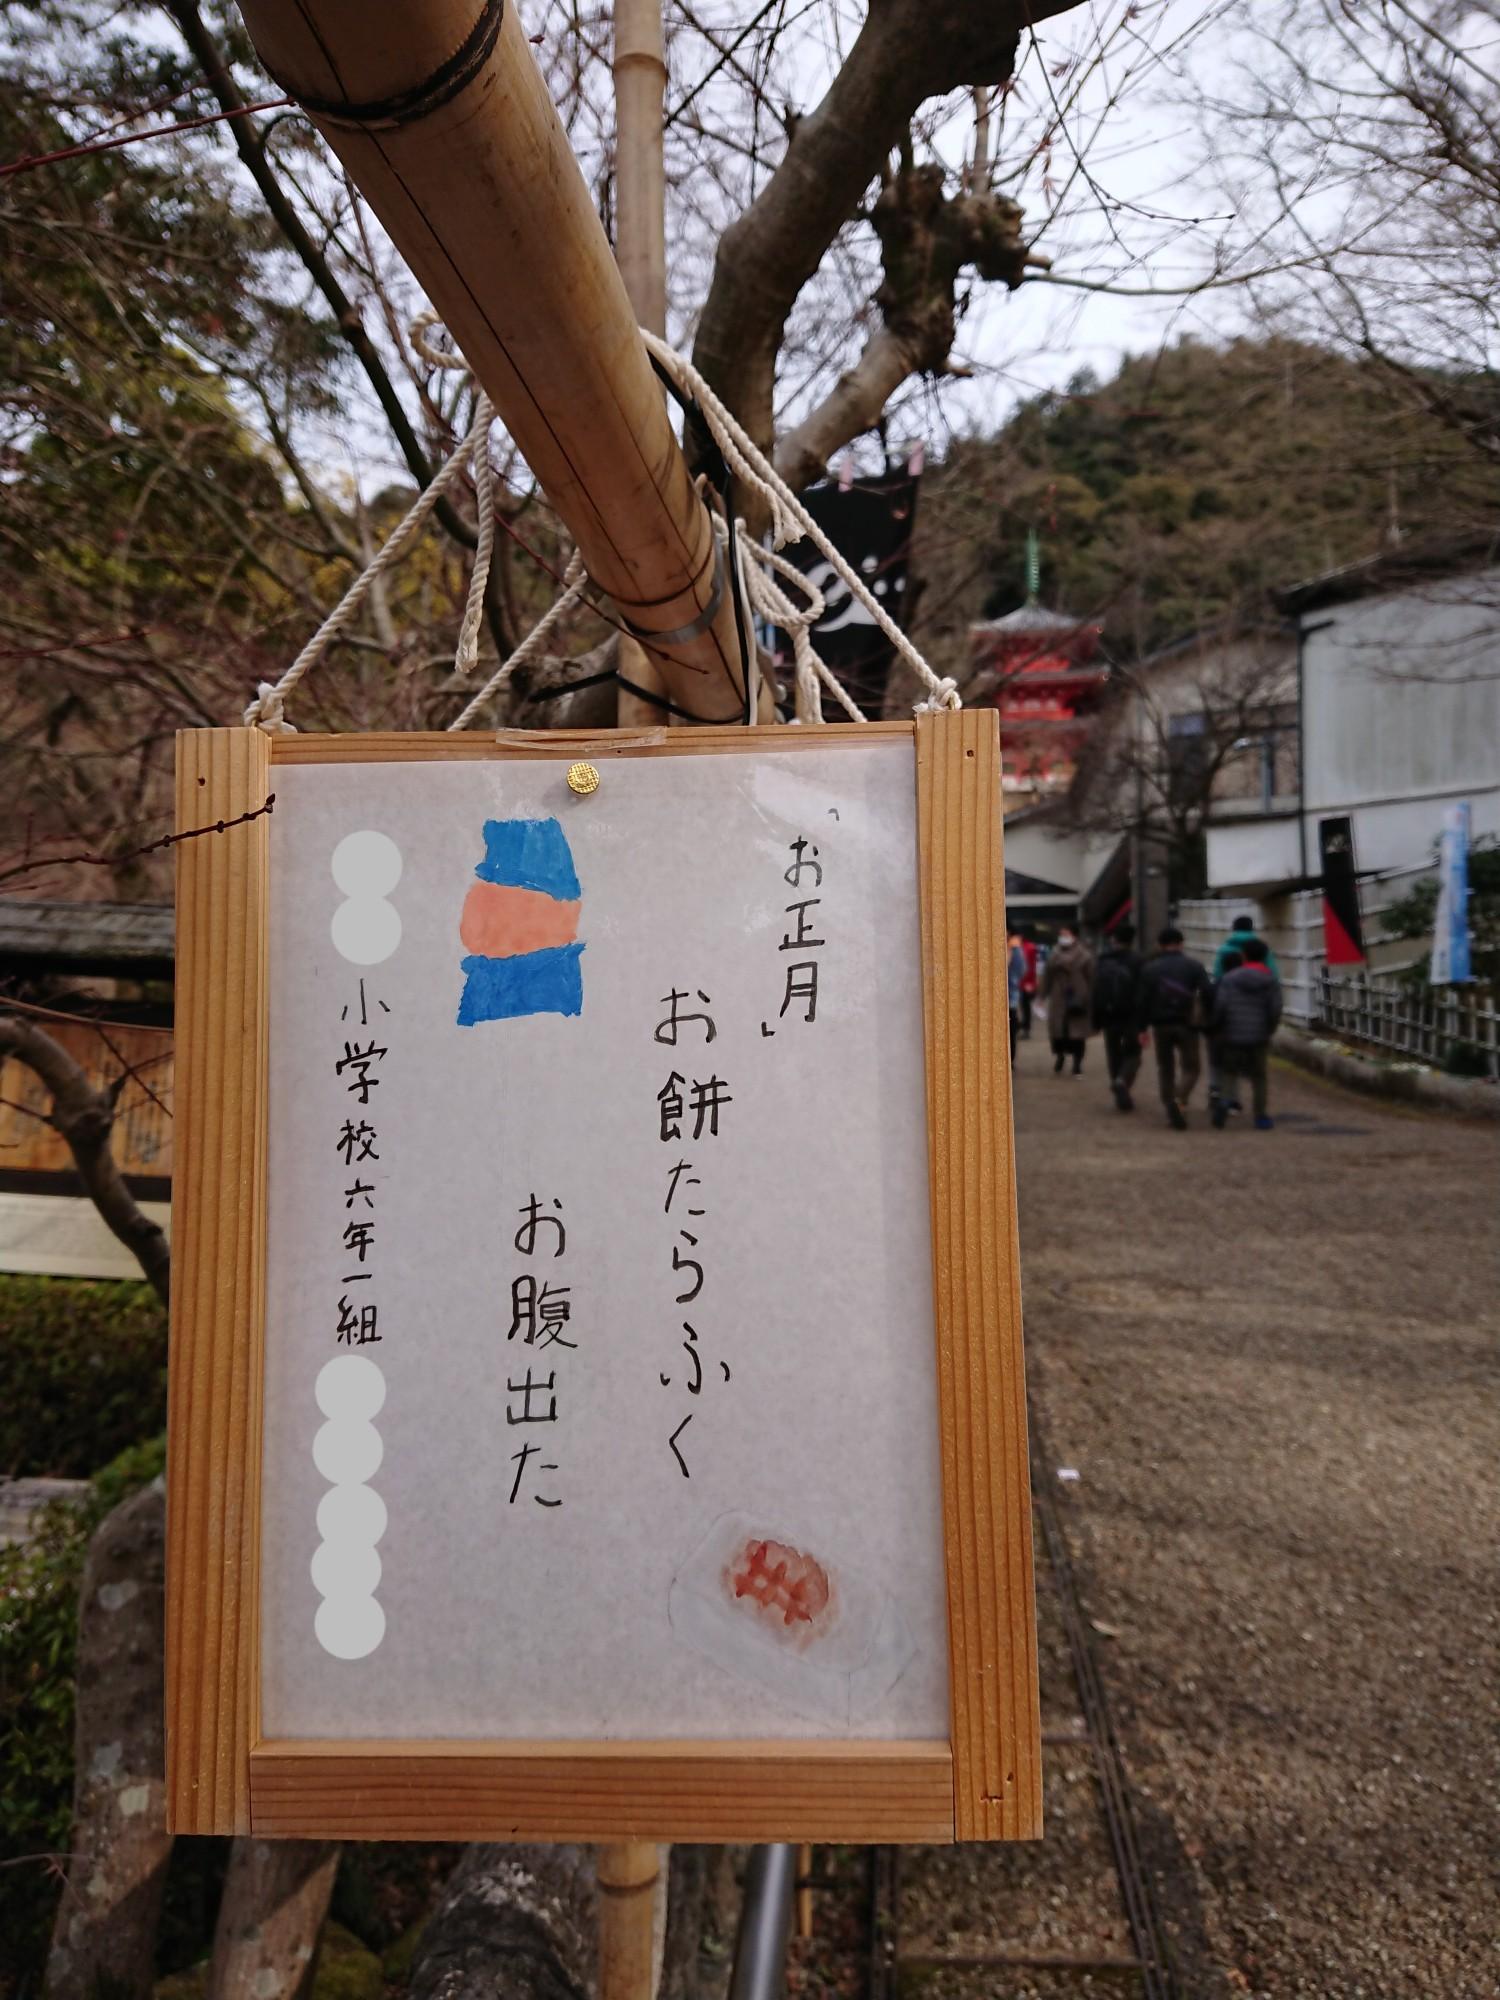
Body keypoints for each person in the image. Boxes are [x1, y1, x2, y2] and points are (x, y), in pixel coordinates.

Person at [1136, 924, 1211, 1128]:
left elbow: (1142, 1001)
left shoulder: (1150, 969)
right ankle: (1180, 1098)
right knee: (1192, 1067)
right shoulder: (1194, 966)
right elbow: (1207, 992)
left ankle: (1170, 1103)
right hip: (1187, 1024)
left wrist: (1142, 1028)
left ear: (1160, 945)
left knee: (1165, 1067)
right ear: (1181, 944)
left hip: (1161, 1024)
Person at [1212, 937, 1283, 1129]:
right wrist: (1270, 1028)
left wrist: (1219, 1027)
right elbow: (1275, 1008)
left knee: (1229, 1072)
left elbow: (1221, 1006)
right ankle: (1260, 1116)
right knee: (1259, 1076)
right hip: (1259, 1034)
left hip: (1232, 1033)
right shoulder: (1270, 980)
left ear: (1244, 956)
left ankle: (1225, 1101)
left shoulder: (1229, 978)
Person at [1091, 920, 1143, 1111]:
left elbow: (1095, 990)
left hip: (1107, 1014)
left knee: (1113, 1054)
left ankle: (1118, 1085)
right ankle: (1123, 1081)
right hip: (1130, 1015)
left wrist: (1095, 1018)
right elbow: (1142, 992)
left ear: (1114, 939)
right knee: (1133, 1053)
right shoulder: (1137, 961)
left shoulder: (1103, 960)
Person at [1041, 926, 1094, 1076]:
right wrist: (1041, 995)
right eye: (1061, 934)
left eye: (1066, 934)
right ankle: (1060, 1056)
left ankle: (1077, 1063)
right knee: (1058, 1032)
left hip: (1078, 996)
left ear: (1074, 936)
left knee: (1077, 1033)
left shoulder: (1084, 955)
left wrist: (1090, 997)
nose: (1063, 937)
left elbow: (1091, 978)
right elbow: (1047, 977)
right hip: (1058, 997)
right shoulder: (1053, 954)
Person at [1207, 946, 1244, 1116]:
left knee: (1215, 1064)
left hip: (1217, 1032)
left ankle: (1215, 1092)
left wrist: (1210, 1026)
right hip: (1239, 1031)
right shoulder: (1246, 985)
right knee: (1233, 1068)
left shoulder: (1216, 985)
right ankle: (1232, 1101)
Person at [1214, 912, 1281, 983]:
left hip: (1231, 990)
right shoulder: (1261, 947)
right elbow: (1273, 974)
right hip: (1258, 990)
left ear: (1234, 929)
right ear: (1251, 928)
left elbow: (1218, 975)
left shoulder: (1224, 949)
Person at [1007, 933, 1027, 1065]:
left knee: (1010, 1031)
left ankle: (1010, 1060)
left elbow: (1021, 970)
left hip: (1010, 998)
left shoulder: (1014, 949)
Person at [1018, 928, 1039, 1037]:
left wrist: (1031, 983)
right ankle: (1020, 1027)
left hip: (1025, 983)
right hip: (1017, 982)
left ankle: (1026, 1028)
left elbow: (1032, 967)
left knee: (1025, 1007)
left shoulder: (1030, 948)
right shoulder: (1017, 947)